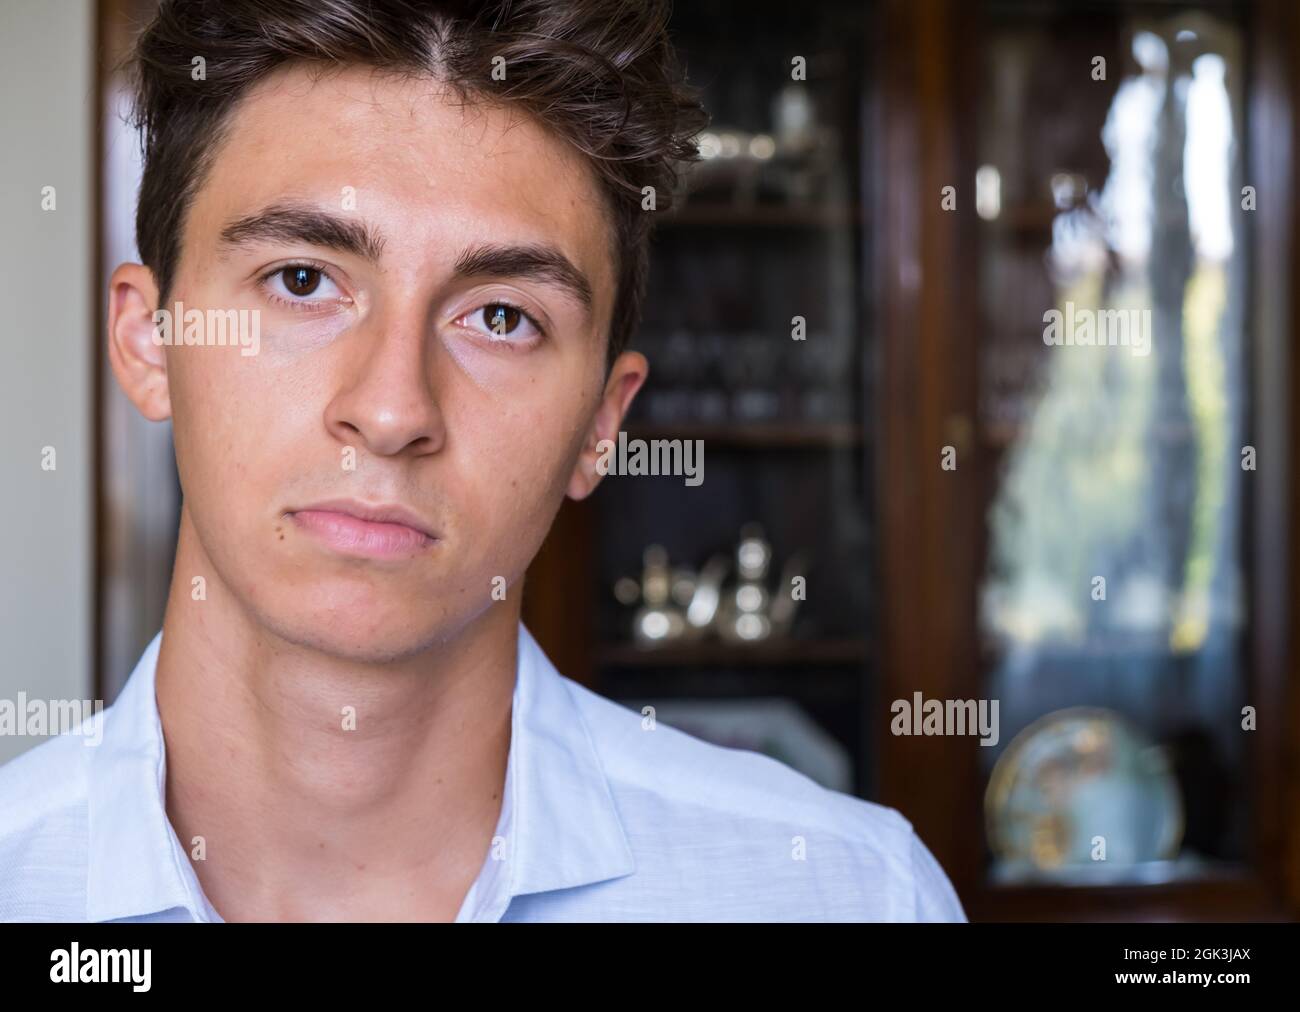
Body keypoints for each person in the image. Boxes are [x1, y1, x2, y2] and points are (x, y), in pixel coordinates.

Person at [0, 0, 965, 922]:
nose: (390, 410)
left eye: (500, 317)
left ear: (600, 422)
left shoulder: (849, 898)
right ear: (148, 342)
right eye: (303, 281)